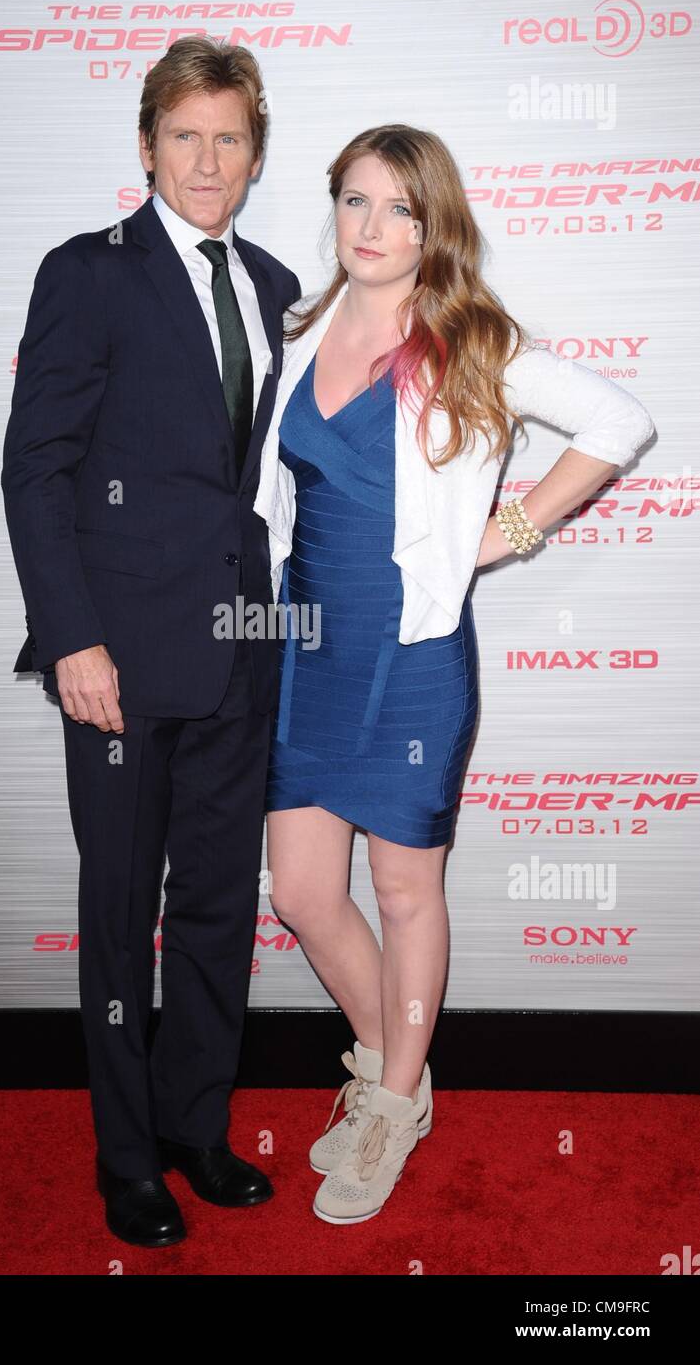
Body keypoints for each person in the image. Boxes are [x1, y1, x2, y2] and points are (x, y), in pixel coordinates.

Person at [253, 124, 656, 1225]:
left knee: (401, 888)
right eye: (353, 202)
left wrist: (506, 529)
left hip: (414, 658)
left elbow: (620, 420)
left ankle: (386, 1104)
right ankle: (396, 1066)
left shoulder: (468, 337)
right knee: (297, 891)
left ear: (435, 225)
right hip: (305, 649)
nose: (371, 228)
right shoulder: (297, 331)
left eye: (398, 209)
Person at [1, 36, 300, 1248]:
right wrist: (71, 641)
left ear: (255, 152)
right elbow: (37, 468)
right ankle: (126, 1157)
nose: (208, 159)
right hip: (118, 663)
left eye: (229, 136)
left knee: (221, 904)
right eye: (186, 135)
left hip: (244, 647)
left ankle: (194, 1127)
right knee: (124, 912)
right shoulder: (90, 272)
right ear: (146, 146)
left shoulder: (284, 285)